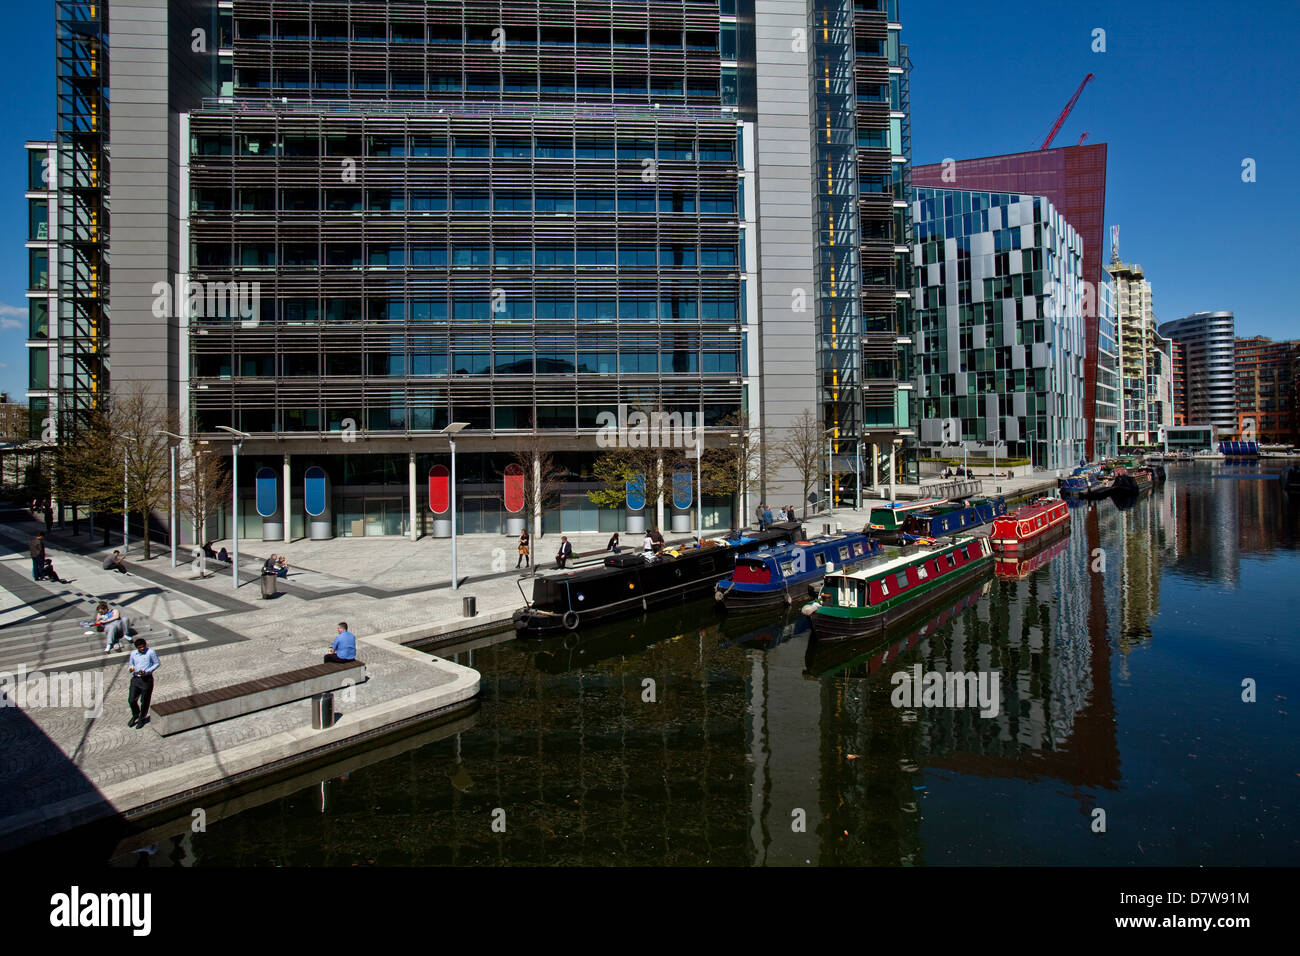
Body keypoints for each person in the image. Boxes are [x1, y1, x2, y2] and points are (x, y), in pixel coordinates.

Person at [127, 637, 161, 728]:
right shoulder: (133, 654)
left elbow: (157, 663)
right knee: (131, 700)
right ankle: (136, 714)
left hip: (146, 679)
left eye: (143, 646)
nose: (142, 648)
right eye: (140, 647)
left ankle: (141, 719)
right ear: (137, 647)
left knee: (144, 701)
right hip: (136, 679)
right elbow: (131, 664)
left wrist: (147, 671)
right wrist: (131, 668)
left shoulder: (151, 652)